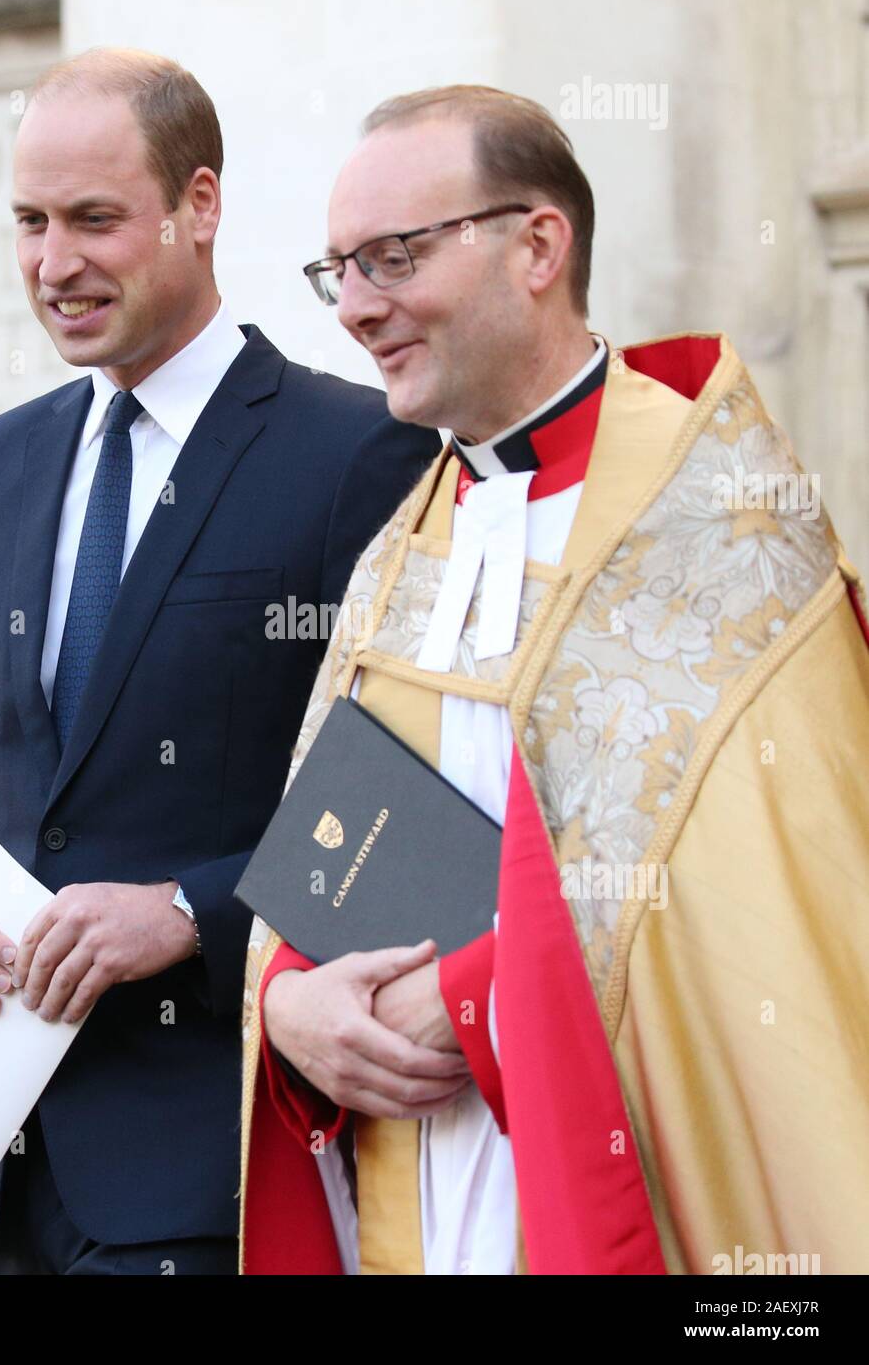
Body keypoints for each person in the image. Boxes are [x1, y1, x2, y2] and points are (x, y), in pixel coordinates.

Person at [240, 84, 869, 1275]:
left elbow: (767, 917)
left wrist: (482, 1000)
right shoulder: (404, 548)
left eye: (390, 257)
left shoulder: (724, 530)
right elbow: (324, 862)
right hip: (410, 1192)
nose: (356, 309)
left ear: (537, 245)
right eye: (337, 272)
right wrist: (285, 1007)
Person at [0, 48, 438, 1276]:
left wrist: (187, 912)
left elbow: (412, 808)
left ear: (200, 206)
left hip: (225, 1168)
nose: (53, 264)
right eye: (28, 222)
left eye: (93, 220)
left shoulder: (359, 454)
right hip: (6, 1176)